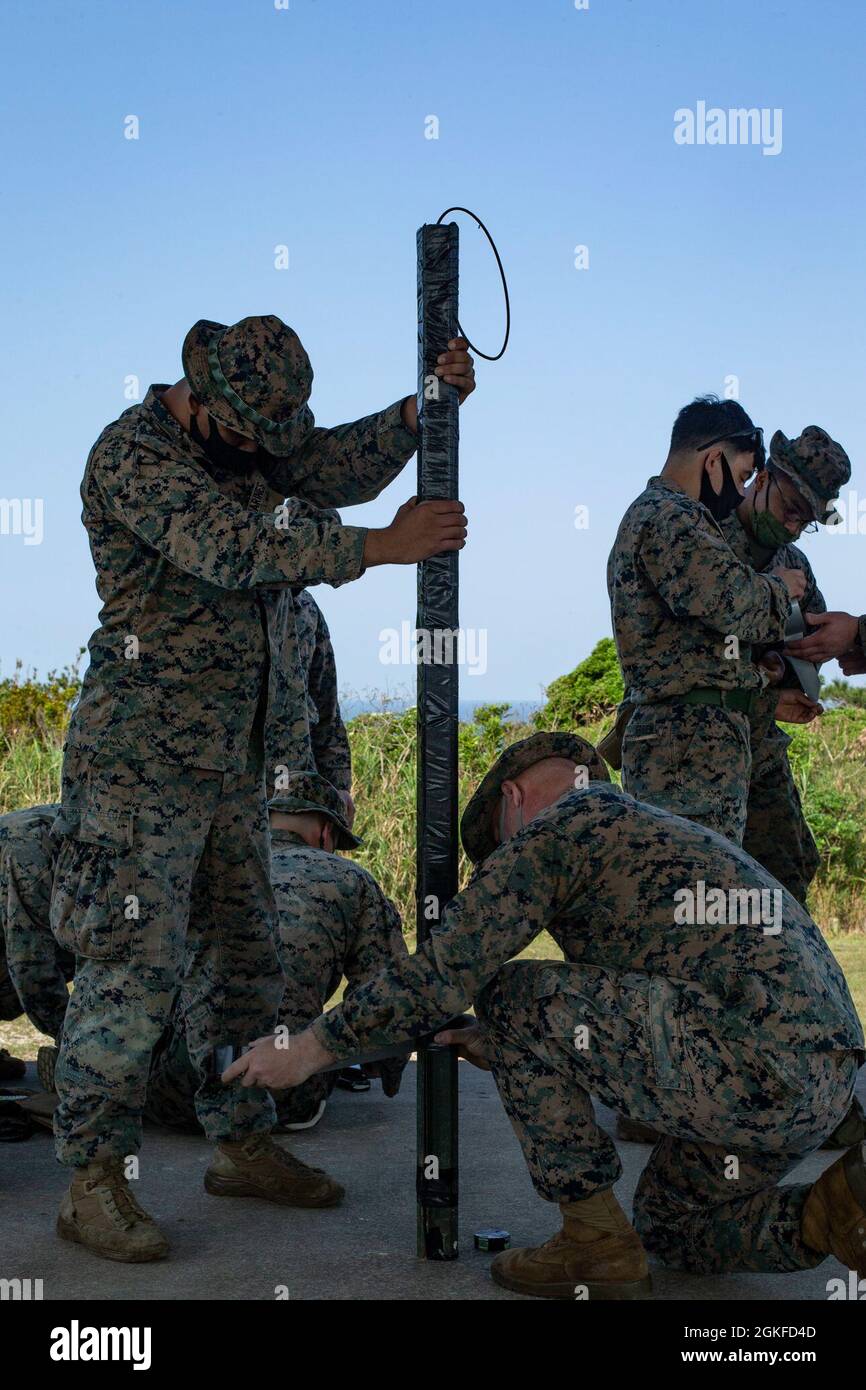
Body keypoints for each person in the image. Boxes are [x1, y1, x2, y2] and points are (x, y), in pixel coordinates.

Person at [50, 312, 474, 1263]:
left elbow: (326, 463)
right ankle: (91, 1183)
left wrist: (421, 409)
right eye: (244, 433)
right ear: (197, 394)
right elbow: (228, 547)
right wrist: (378, 547)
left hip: (229, 770)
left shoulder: (243, 444)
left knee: (247, 961)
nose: (257, 452)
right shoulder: (133, 455)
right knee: (131, 967)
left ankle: (241, 1140)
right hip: (138, 768)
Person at [227, 733, 866, 1300]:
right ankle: (831, 1210)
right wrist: (526, 1045)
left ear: (514, 799)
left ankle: (591, 1242)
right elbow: (643, 1003)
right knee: (673, 1229)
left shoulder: (567, 825)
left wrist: (313, 1046)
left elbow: (446, 973)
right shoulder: (651, 832)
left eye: (498, 850)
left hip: (754, 1061)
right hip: (817, 1084)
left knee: (509, 992)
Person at [144, 774, 408, 1132]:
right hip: (280, 1094)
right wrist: (386, 1071)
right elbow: (387, 991)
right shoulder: (350, 879)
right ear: (327, 833)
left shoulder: (201, 865)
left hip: (173, 1092)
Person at [607, 395, 803, 845]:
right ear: (713, 459)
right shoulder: (671, 517)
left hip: (691, 743)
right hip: (685, 747)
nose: (740, 492)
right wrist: (782, 588)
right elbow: (733, 601)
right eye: (741, 477)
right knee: (694, 895)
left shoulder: (666, 515)